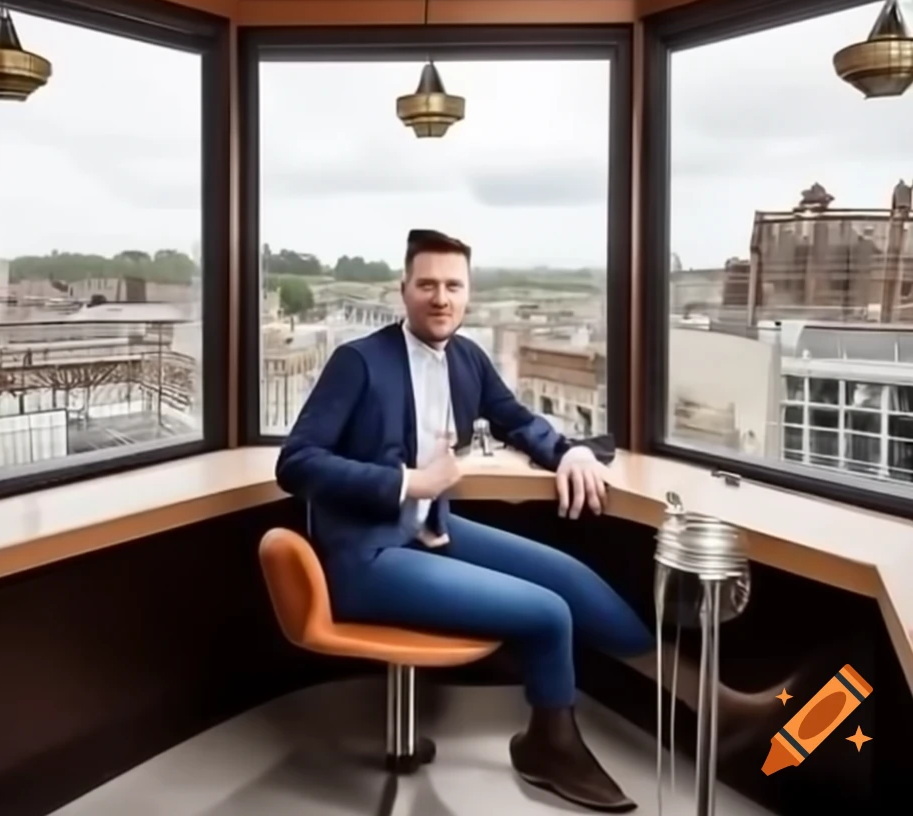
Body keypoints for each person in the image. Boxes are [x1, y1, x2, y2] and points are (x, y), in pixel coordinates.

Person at [277, 229, 785, 812]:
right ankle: (549, 746)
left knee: (571, 578)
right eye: (427, 285)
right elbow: (297, 462)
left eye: (453, 286)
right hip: (366, 557)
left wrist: (569, 453)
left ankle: (711, 703)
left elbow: (516, 419)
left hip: (429, 533)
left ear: (468, 292)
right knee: (548, 614)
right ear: (404, 289)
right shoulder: (359, 361)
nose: (440, 298)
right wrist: (409, 482)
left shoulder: (466, 358)